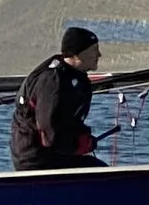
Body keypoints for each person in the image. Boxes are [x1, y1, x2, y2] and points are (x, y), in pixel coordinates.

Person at [11, 27, 103, 169]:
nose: (99, 55)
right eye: (94, 50)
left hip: (56, 156)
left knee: (96, 167)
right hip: (36, 161)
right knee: (99, 171)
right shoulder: (52, 81)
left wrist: (83, 137)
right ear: (77, 54)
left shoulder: (73, 76)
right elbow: (49, 131)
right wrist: (77, 145)